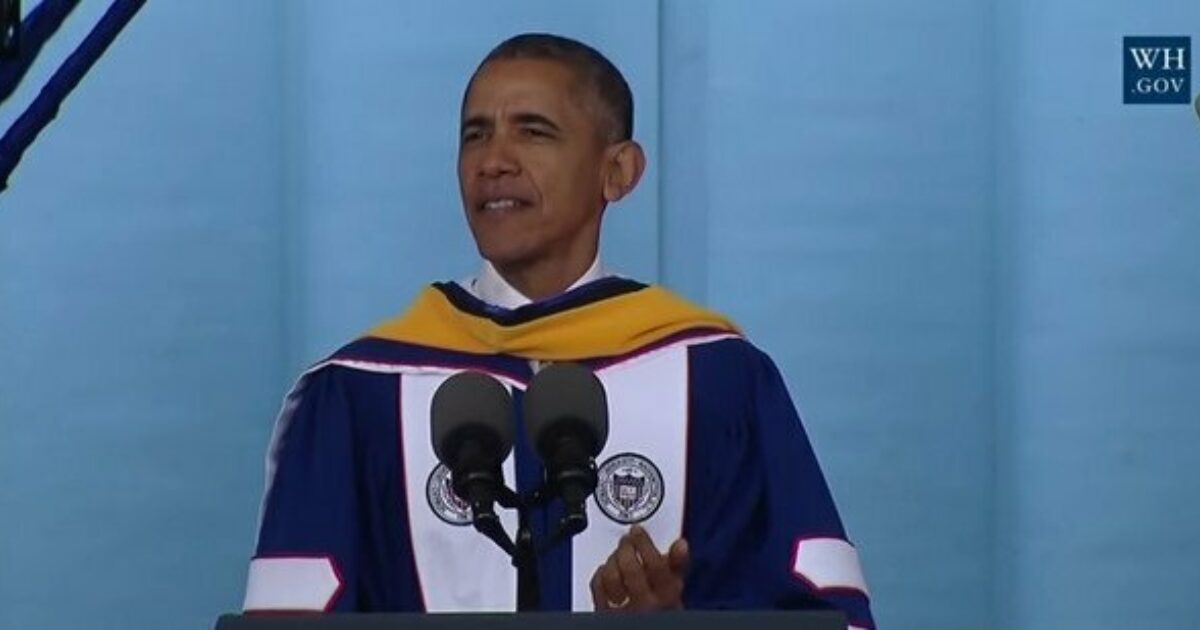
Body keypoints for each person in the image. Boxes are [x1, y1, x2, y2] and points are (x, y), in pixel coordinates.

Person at [241, 33, 874, 629]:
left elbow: (818, 613)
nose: (494, 162)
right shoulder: (364, 391)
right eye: (475, 135)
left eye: (533, 132)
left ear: (617, 172)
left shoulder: (717, 380)